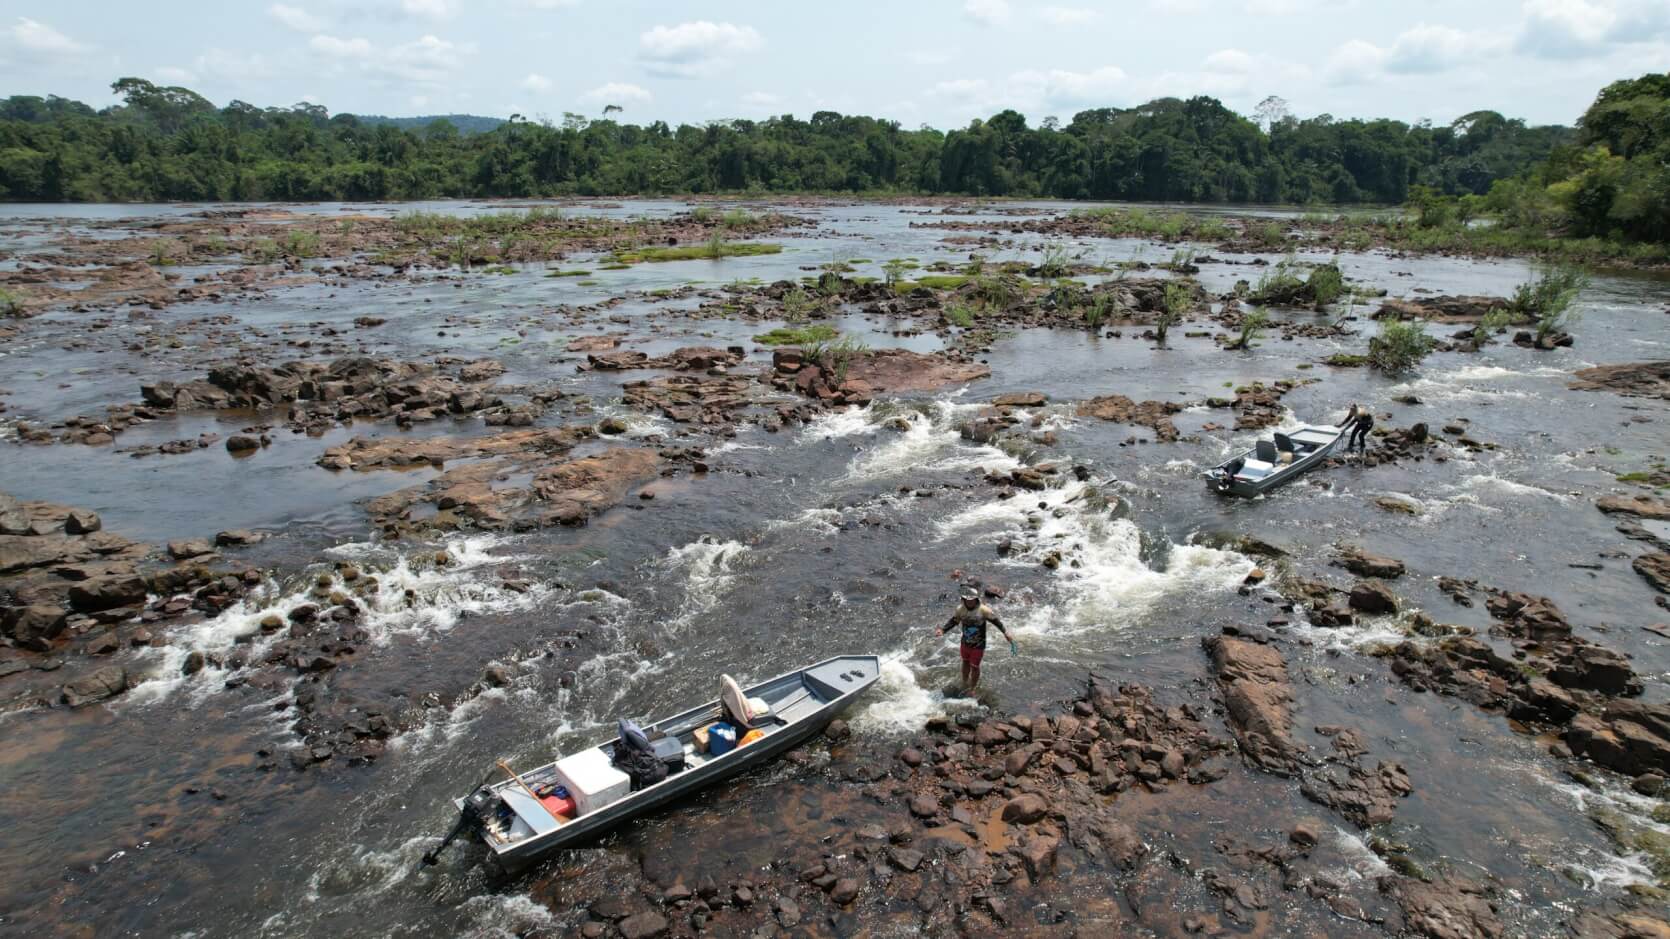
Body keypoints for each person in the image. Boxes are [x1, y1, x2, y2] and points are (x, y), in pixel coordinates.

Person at [939, 588, 1013, 692]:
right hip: (965, 642)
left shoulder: (984, 610)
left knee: (974, 666)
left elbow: (996, 622)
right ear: (963, 599)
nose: (969, 601)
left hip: (979, 644)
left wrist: (1006, 633)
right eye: (967, 599)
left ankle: (973, 688)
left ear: (976, 599)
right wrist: (943, 630)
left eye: (972, 599)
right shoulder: (960, 609)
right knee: (965, 662)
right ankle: (965, 682)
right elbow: (954, 621)